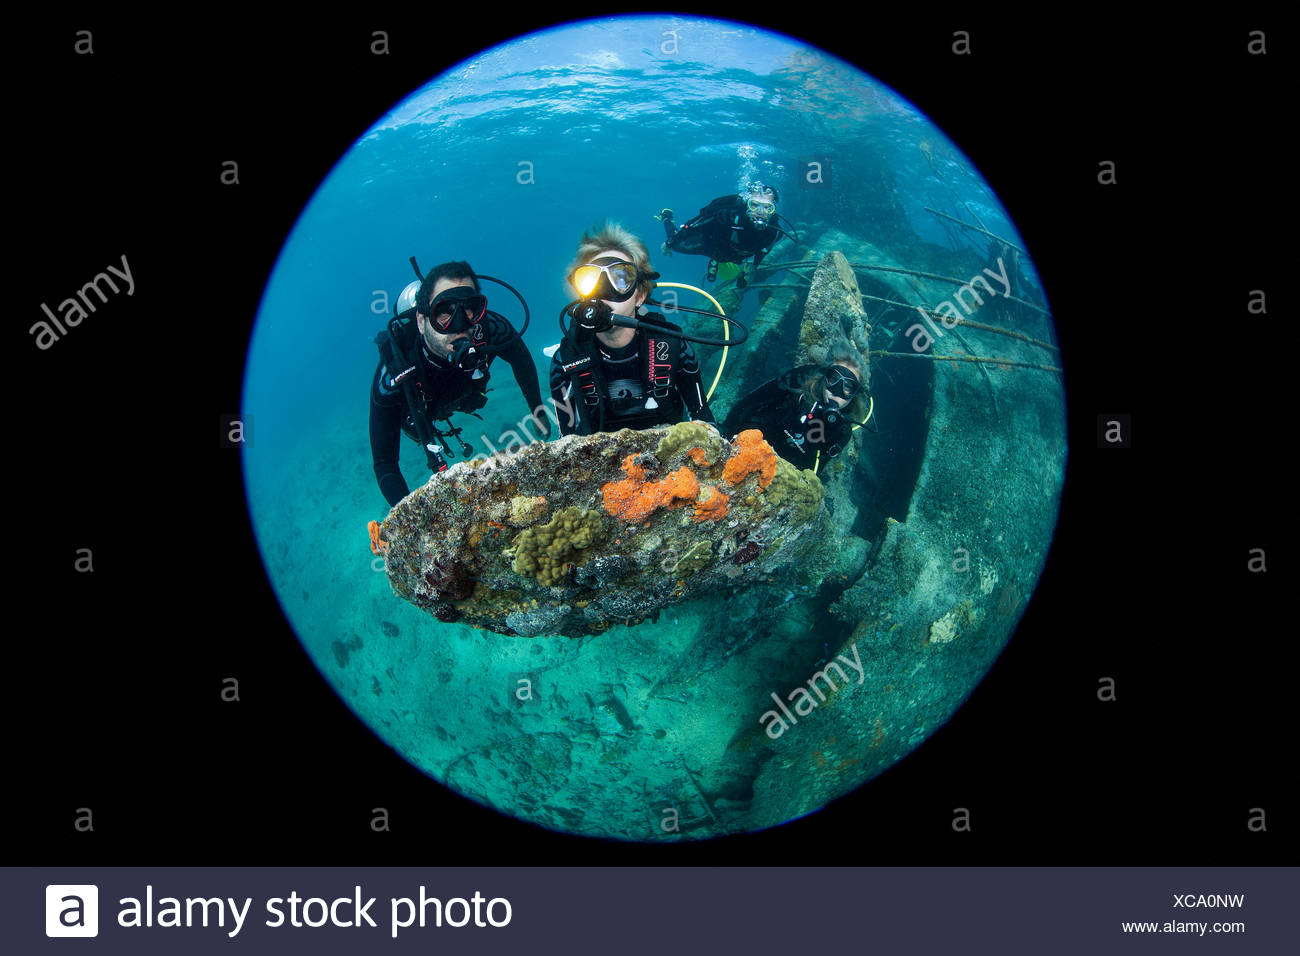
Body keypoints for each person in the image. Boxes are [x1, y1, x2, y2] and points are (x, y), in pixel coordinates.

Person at [370, 260, 548, 507]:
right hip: (424, 408)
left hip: (465, 394)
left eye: (470, 309)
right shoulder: (395, 372)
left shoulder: (489, 330)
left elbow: (522, 360)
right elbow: (384, 462)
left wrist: (537, 410)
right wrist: (411, 518)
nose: (460, 324)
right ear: (421, 321)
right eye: (444, 311)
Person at [549, 224, 715, 437]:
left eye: (620, 279)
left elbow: (703, 420)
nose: (602, 292)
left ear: (640, 295)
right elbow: (566, 439)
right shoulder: (566, 359)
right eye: (590, 280)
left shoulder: (673, 346)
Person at [722, 355, 872, 473]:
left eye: (848, 386)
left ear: (855, 394)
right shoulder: (795, 391)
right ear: (825, 377)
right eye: (833, 379)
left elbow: (813, 472)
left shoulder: (841, 432)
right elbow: (750, 403)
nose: (836, 390)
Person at [658, 181, 795, 289]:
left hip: (735, 257)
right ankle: (667, 218)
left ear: (773, 209)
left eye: (767, 207)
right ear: (746, 204)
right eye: (754, 205)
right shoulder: (727, 215)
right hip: (710, 247)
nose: (760, 212)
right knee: (676, 246)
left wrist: (751, 268)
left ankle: (717, 262)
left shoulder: (774, 232)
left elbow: (764, 250)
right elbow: (694, 225)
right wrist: (670, 243)